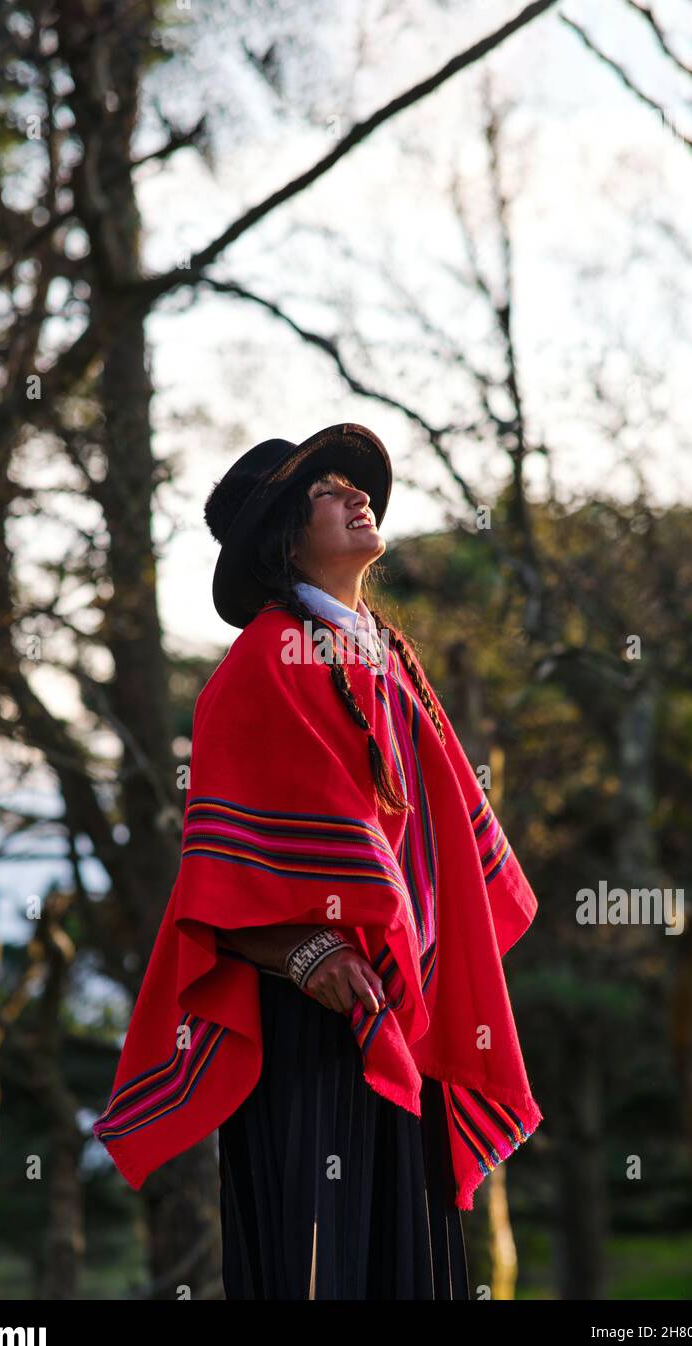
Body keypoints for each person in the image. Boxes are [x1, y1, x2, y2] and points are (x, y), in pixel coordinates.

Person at [92, 422, 544, 1301]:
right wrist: (304, 951)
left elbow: (441, 853)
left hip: (397, 1007)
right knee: (320, 1265)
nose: (354, 495)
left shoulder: (393, 661)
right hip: (305, 1028)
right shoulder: (259, 665)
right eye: (324, 493)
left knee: (405, 1258)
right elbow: (216, 886)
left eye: (353, 484)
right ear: (283, 540)